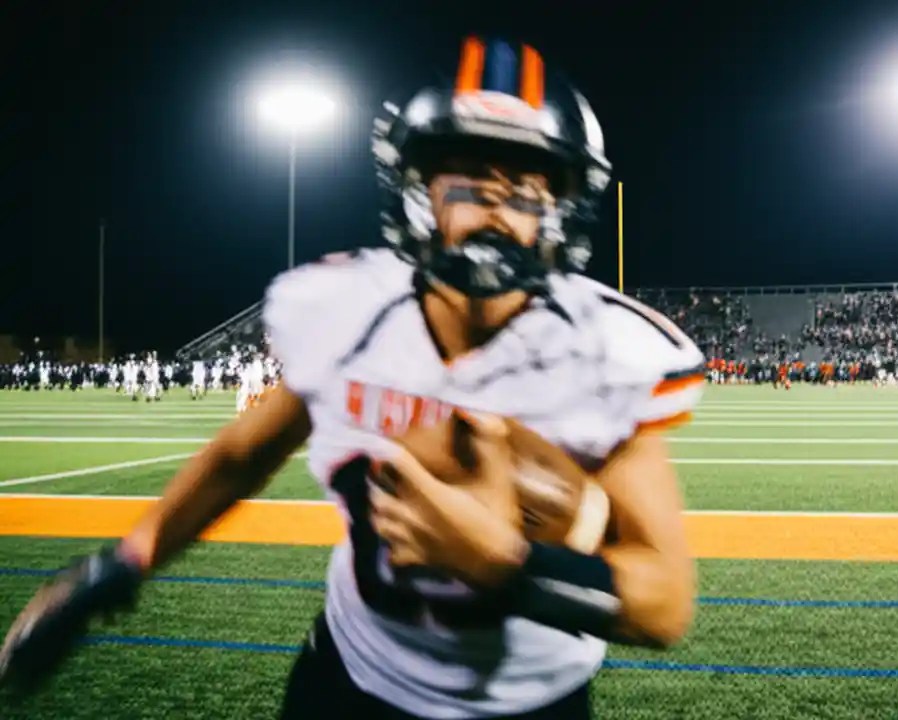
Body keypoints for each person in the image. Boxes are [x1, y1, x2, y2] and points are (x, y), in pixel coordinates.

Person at [1, 36, 703, 720]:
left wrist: (506, 564)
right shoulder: (346, 311)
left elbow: (665, 600)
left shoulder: (605, 348)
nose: (494, 208)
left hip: (531, 701)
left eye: (524, 187)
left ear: (563, 207)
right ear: (418, 190)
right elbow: (240, 456)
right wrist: (123, 566)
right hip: (352, 679)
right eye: (466, 179)